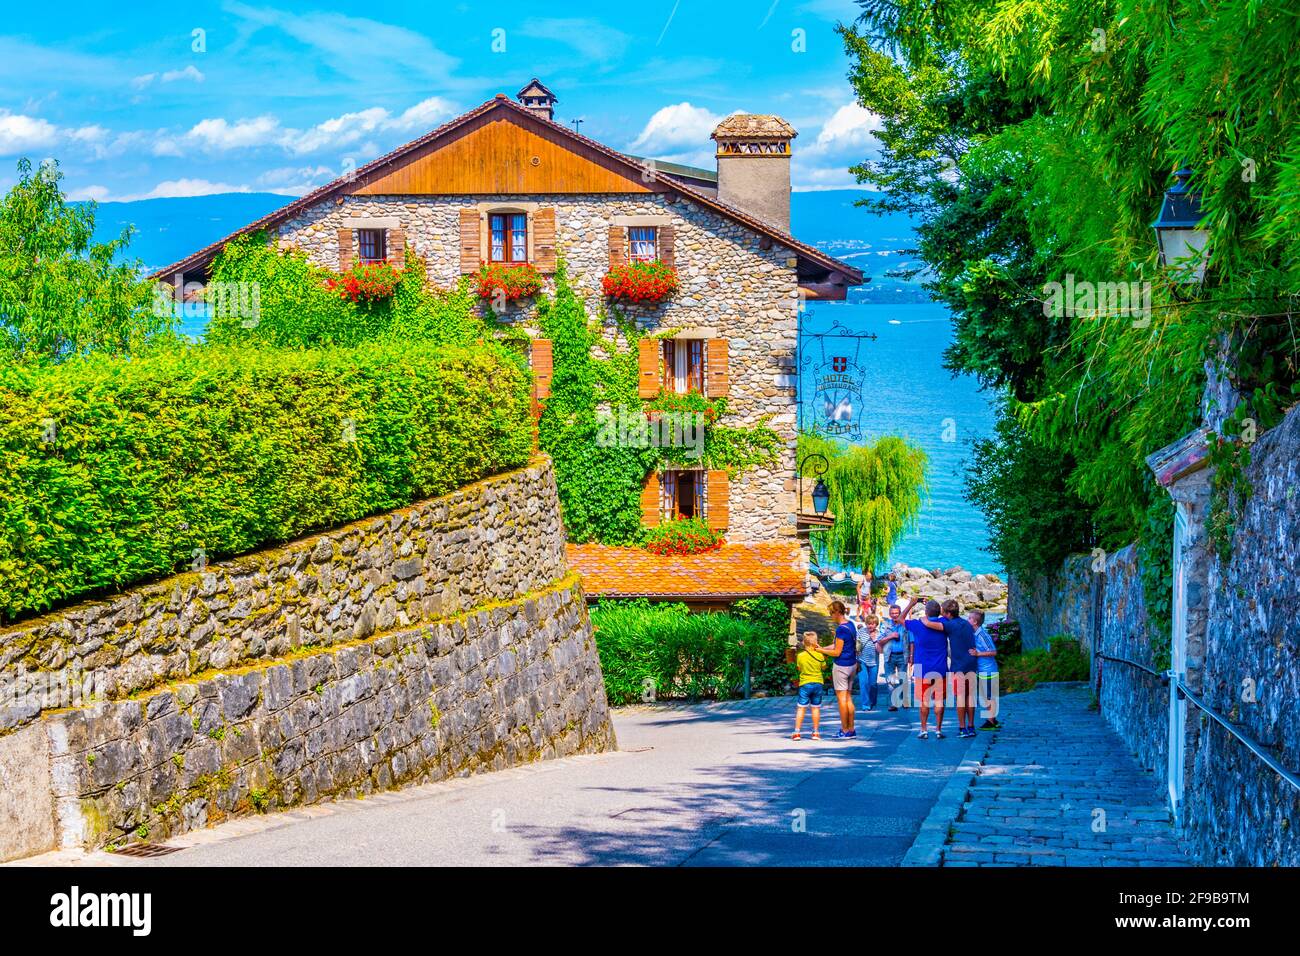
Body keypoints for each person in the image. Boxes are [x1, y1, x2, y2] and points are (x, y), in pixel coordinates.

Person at [921, 599, 979, 738]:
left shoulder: (949, 625)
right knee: (970, 697)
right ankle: (971, 726)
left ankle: (962, 728)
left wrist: (922, 617)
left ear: (947, 613)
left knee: (960, 698)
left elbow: (928, 623)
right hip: (972, 663)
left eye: (942, 610)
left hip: (958, 665)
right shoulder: (967, 623)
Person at [899, 595, 949, 737]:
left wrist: (911, 603)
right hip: (940, 667)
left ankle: (924, 729)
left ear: (926, 612)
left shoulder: (917, 624)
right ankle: (938, 730)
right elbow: (948, 615)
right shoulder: (943, 623)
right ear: (939, 612)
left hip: (922, 668)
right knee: (939, 700)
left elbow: (901, 619)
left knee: (924, 701)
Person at [818, 600, 858, 739]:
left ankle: (844, 730)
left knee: (841, 699)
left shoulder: (841, 629)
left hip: (841, 666)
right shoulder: (851, 625)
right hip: (852, 664)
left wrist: (822, 651)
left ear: (837, 612)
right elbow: (837, 644)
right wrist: (821, 648)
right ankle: (851, 729)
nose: (831, 616)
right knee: (848, 698)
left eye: (831, 613)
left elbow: (836, 651)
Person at [792, 632, 828, 740]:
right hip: (818, 684)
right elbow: (824, 667)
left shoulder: (800, 656)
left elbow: (799, 668)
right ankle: (816, 732)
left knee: (801, 708)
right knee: (815, 708)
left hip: (805, 684)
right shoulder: (820, 655)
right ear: (816, 642)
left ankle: (797, 732)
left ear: (803, 642)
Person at [969, 610, 1001, 730]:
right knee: (987, 695)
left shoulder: (982, 635)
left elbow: (993, 652)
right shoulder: (975, 634)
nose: (968, 620)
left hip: (988, 670)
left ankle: (990, 721)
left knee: (988, 696)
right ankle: (993, 719)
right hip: (982, 670)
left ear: (975, 622)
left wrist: (978, 654)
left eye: (969, 618)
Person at [876, 603, 910, 711]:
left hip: (902, 655)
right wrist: (890, 636)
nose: (894, 615)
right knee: (890, 680)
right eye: (892, 613)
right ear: (889, 614)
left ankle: (905, 700)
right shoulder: (885, 625)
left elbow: (911, 640)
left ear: (900, 614)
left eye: (896, 613)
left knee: (902, 679)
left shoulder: (905, 625)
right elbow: (879, 640)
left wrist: (912, 655)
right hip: (889, 656)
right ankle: (894, 703)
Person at [855, 613, 881, 711]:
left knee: (873, 684)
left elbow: (880, 650)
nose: (870, 625)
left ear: (876, 624)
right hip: (862, 661)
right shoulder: (861, 631)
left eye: (873, 624)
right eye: (869, 623)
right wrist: (857, 651)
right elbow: (857, 644)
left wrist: (874, 639)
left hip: (874, 662)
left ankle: (872, 701)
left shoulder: (879, 633)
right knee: (863, 682)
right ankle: (865, 704)